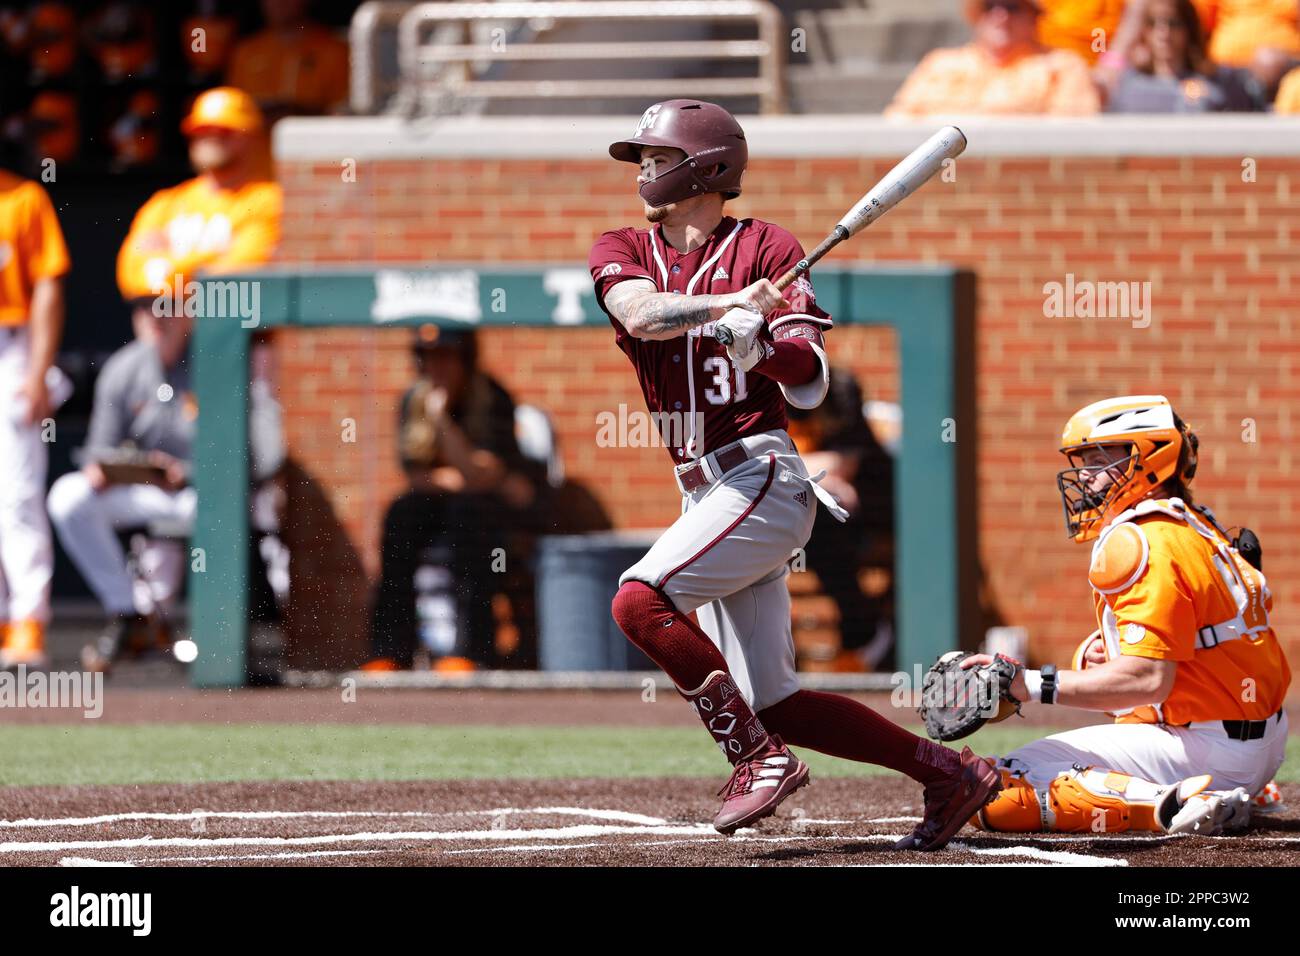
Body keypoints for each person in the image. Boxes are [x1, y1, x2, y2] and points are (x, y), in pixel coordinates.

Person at [590, 99, 1001, 848]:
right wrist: (723, 311)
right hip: (704, 491)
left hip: (762, 478)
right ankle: (949, 773)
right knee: (774, 698)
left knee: (637, 603)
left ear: (703, 168)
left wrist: (759, 347)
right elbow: (642, 314)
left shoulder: (769, 247)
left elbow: (807, 376)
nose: (643, 172)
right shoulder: (622, 245)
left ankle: (753, 758)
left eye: (655, 158)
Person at [958, 396, 1290, 835]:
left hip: (1210, 750)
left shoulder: (1139, 539)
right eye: (1084, 461)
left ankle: (1174, 803)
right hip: (1259, 741)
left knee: (987, 789)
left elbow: (1148, 680)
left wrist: (1028, 684)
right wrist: (1101, 653)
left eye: (1100, 460)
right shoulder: (1195, 523)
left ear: (1150, 459)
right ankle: (1239, 786)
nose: (1086, 477)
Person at [366, 327, 537, 672]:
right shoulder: (413, 399)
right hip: (442, 499)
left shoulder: (492, 397)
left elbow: (484, 473)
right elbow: (417, 477)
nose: (436, 366)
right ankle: (391, 650)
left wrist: (441, 420)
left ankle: (469, 650)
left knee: (469, 518)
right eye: (428, 357)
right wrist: (465, 478)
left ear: (465, 359)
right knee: (400, 515)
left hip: (488, 509)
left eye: (445, 356)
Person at [47, 311, 196, 670]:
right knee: (69, 497)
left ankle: (210, 630)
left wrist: (188, 470)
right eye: (146, 305)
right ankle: (128, 613)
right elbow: (99, 450)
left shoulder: (215, 360)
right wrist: (116, 467)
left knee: (218, 511)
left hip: (200, 493)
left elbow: (252, 453)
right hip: (145, 490)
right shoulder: (124, 368)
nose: (156, 317)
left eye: (166, 305)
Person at [115, 87, 281, 306]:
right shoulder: (165, 202)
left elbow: (240, 276)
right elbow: (130, 275)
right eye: (201, 131)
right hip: (167, 328)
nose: (209, 139)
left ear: (252, 136)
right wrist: (211, 260)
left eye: (222, 132)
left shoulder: (270, 201)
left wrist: (167, 265)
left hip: (237, 332)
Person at [0, 156, 69, 670]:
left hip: (12, 347)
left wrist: (38, 368)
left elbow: (48, 282)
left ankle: (26, 619)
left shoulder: (22, 197)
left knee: (16, 493)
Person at [785, 368, 896, 672]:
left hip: (870, 512)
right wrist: (815, 477)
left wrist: (793, 471)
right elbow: (759, 464)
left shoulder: (839, 390)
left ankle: (864, 631)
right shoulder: (770, 390)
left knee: (824, 518)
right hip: (805, 509)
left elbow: (843, 466)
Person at [886, 0, 1101, 116]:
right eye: (990, 6)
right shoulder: (940, 63)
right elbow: (896, 122)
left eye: (1012, 7)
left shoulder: (1062, 66)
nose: (1001, 16)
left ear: (1034, 16)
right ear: (976, 15)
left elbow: (1073, 138)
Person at [1103, 0, 1260, 111]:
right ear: (1145, 32)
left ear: (1188, 30)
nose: (1163, 33)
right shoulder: (1130, 82)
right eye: (1153, 24)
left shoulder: (1216, 80)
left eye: (1173, 23)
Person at [227, 0, 350, 120]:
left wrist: (296, 112)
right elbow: (231, 112)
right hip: (257, 139)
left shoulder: (336, 52)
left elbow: (342, 114)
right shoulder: (246, 52)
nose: (278, 3)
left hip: (312, 137)